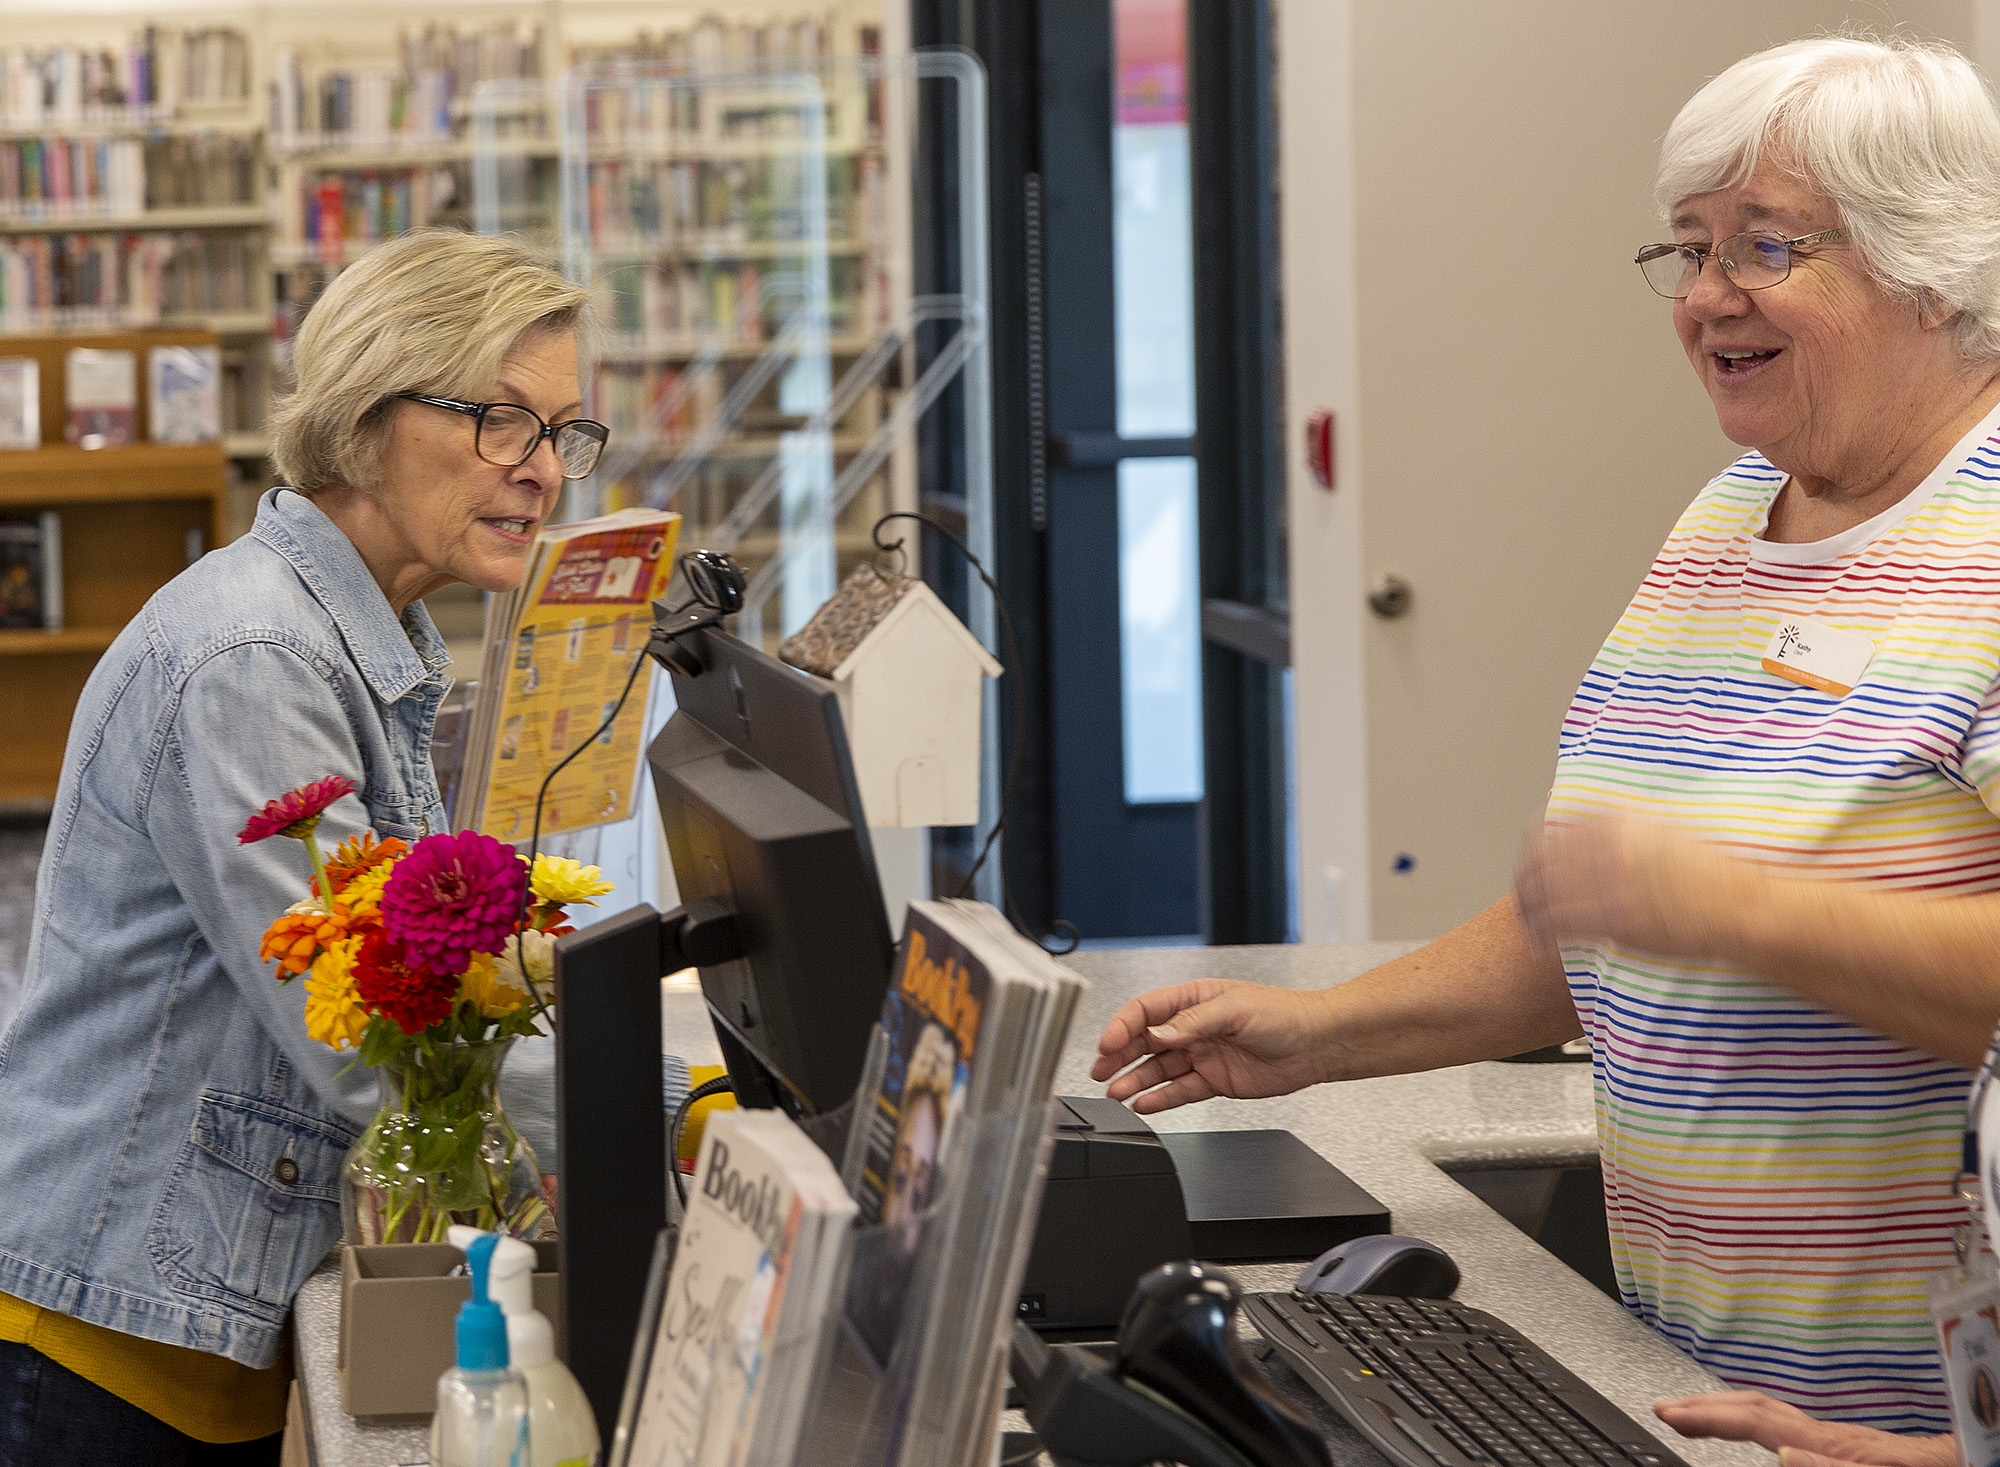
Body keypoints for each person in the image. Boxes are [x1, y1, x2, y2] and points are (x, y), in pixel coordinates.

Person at [1096, 32, 2000, 1433]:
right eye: (1688, 249)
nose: (1706, 297)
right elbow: (1606, 924)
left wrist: (1739, 909)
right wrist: (1317, 1036)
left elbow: (1698, 911)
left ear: (1934, 262)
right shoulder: (1729, 517)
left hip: (1910, 1420)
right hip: (1695, 1376)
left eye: (1765, 247)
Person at [0, 229, 605, 1463]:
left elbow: (404, 963)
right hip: (108, 1342)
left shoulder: (350, 635)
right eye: (503, 422)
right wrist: (674, 1101)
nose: (545, 472)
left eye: (562, 432)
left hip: (184, 1314)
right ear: (364, 414)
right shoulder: (257, 660)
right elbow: (373, 1040)